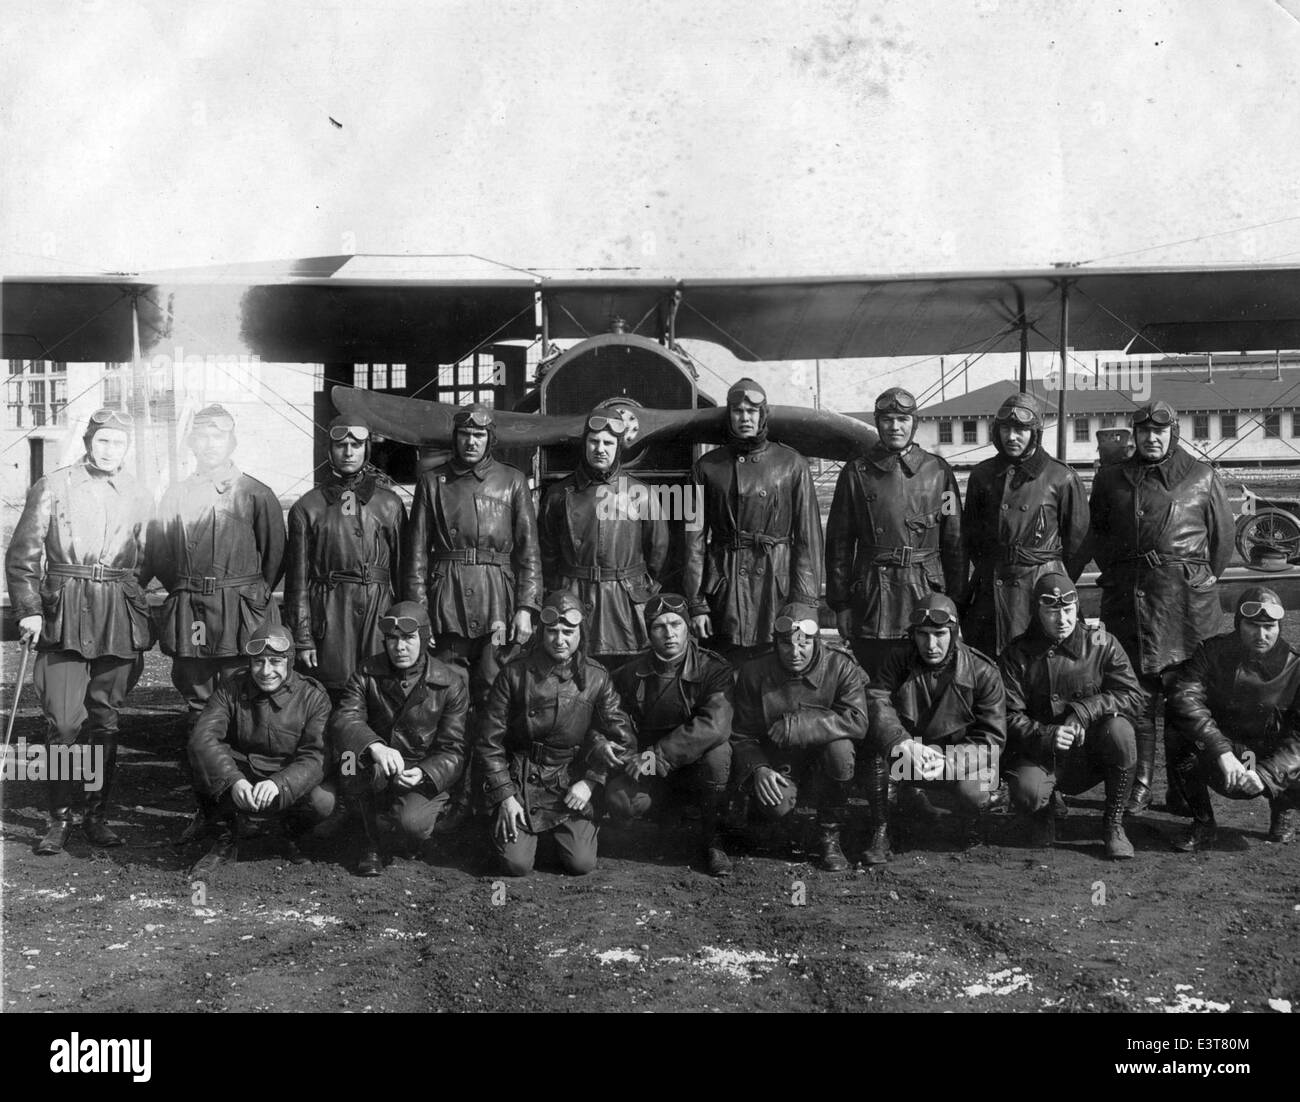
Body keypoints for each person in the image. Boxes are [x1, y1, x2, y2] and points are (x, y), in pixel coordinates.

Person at [6, 408, 154, 854]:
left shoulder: (138, 492)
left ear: (128, 448)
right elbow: (23, 556)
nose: (110, 450)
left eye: (119, 442)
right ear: (89, 442)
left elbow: (147, 557)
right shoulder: (53, 485)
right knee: (65, 721)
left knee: (106, 720)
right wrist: (30, 609)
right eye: (103, 440)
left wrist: (122, 591)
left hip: (116, 618)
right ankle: (59, 818)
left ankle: (96, 815)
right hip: (63, 616)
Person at [1087, 399, 1233, 814]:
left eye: (1160, 431)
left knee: (1184, 694)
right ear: (1134, 435)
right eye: (1144, 431)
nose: (1152, 438)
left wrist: (1193, 579)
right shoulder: (1112, 479)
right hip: (1131, 599)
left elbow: (1221, 543)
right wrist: (1129, 573)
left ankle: (1183, 788)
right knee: (1139, 694)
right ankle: (1141, 784)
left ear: (1174, 433)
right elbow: (1099, 538)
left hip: (1186, 605)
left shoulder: (1202, 476)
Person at [145, 404, 287, 733]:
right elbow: (162, 553)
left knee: (244, 682)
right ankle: (203, 759)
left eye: (218, 436)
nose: (210, 444)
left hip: (240, 607)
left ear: (232, 442)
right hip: (192, 605)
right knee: (195, 685)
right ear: (192, 443)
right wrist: (190, 587)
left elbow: (275, 556)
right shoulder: (175, 494)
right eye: (203, 436)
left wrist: (247, 594)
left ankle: (244, 761)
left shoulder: (256, 493)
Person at [476, 591, 637, 876]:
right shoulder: (514, 674)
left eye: (568, 632)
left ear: (581, 633)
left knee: (581, 864)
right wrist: (505, 796)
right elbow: (489, 742)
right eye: (552, 631)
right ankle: (523, 835)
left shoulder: (597, 677)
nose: (560, 640)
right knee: (516, 865)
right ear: (541, 632)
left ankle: (553, 838)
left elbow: (624, 739)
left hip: (569, 781)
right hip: (522, 779)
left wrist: (591, 780)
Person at [999, 573, 1144, 859]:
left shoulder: (1101, 641)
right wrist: (1047, 734)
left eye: (1068, 610)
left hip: (1089, 752)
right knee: (1029, 795)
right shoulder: (1016, 653)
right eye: (1052, 611)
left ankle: (1113, 823)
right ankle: (1045, 808)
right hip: (1040, 753)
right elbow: (1006, 714)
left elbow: (1133, 696)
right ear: (1036, 611)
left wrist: (1085, 710)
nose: (1062, 619)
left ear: (1077, 607)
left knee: (1121, 731)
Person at [404, 402, 541, 703]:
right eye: (465, 434)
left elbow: (529, 551)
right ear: (455, 437)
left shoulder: (513, 481)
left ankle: (490, 751)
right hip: (447, 599)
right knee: (447, 687)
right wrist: (419, 612)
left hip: (498, 600)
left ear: (490, 439)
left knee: (496, 686)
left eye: (479, 435)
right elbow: (416, 555)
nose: (471, 441)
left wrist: (526, 608)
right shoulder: (431, 481)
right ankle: (452, 751)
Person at [826, 387, 965, 681]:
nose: (894, 426)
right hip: (873, 598)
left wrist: (955, 601)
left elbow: (953, 539)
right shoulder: (855, 473)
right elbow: (838, 544)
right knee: (877, 680)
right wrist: (841, 605)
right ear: (878, 423)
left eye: (902, 419)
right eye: (887, 419)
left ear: (913, 422)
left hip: (925, 592)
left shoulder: (940, 473)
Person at [683, 377, 822, 665]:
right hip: (724, 586)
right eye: (737, 411)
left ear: (763, 415)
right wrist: (697, 604)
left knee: (773, 668)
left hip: (775, 586)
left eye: (752, 411)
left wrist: (805, 604)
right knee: (722, 670)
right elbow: (692, 542)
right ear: (729, 415)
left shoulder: (792, 464)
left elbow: (808, 540)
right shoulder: (705, 467)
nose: (745, 418)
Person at [324, 601, 469, 875]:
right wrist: (376, 746)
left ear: (425, 639)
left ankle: (409, 828)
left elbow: (454, 750)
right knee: (347, 761)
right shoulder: (366, 672)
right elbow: (344, 719)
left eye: (408, 638)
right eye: (392, 639)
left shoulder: (450, 682)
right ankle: (369, 844)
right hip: (374, 762)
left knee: (412, 824)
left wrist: (424, 773)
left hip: (418, 771)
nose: (400, 647)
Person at [865, 593, 1007, 862]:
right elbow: (875, 700)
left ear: (954, 633)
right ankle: (881, 828)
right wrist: (902, 742)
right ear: (913, 634)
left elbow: (992, 740)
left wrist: (948, 763)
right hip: (911, 758)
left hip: (961, 762)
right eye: (923, 634)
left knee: (976, 792)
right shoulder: (898, 660)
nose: (931, 644)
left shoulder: (982, 671)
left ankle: (972, 824)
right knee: (874, 754)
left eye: (940, 634)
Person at [731, 602, 869, 871]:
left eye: (804, 643)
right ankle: (770, 821)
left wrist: (800, 726)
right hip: (780, 764)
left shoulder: (840, 667)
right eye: (787, 644)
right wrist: (758, 769)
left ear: (816, 642)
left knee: (841, 750)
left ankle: (830, 835)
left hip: (823, 763)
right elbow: (742, 734)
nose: (795, 652)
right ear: (776, 644)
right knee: (775, 806)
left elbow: (857, 720)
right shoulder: (753, 672)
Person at [606, 593, 736, 877]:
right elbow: (618, 723)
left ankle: (714, 839)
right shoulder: (628, 674)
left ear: (687, 627)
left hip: (690, 763)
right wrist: (633, 755)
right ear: (649, 633)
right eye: (659, 627)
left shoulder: (714, 668)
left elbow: (714, 724)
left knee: (719, 755)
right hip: (650, 766)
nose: (669, 634)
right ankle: (661, 823)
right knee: (622, 799)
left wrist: (657, 756)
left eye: (676, 624)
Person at [186, 623, 331, 876]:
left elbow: (316, 756)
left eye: (275, 662)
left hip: (287, 776)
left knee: (323, 801)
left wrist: (280, 784)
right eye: (258, 662)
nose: (266, 671)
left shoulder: (313, 696)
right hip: (244, 774)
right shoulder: (232, 687)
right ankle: (224, 839)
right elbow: (204, 737)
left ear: (289, 662)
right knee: (199, 757)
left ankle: (289, 834)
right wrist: (233, 780)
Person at [1165, 587, 1300, 852]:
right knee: (1177, 729)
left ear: (1279, 627)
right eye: (1252, 625)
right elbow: (1185, 696)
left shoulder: (1296, 666)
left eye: (1269, 626)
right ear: (1239, 623)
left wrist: (1266, 775)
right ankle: (1203, 822)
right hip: (1226, 755)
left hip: (1271, 760)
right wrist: (1221, 751)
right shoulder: (1212, 651)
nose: (1261, 635)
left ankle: (1284, 808)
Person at [285, 414, 406, 701]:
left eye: (356, 444)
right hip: (328, 613)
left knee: (379, 690)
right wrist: (303, 638)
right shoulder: (308, 507)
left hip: (378, 612)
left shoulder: (389, 504)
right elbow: (297, 583)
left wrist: (405, 627)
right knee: (333, 693)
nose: (349, 452)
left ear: (368, 449)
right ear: (329, 450)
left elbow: (405, 574)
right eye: (341, 445)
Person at [961, 391, 1089, 660]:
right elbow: (971, 537)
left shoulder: (1061, 477)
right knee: (990, 662)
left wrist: (1051, 580)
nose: (1012, 437)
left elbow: (1078, 544)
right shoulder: (982, 476)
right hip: (992, 589)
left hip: (1040, 588)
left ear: (1035, 433)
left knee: (1041, 661)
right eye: (1006, 429)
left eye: (1021, 430)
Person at [538, 410, 668, 667]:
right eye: (593, 441)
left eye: (608, 443)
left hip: (624, 605)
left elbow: (659, 552)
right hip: (573, 596)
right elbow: (546, 551)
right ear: (584, 444)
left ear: (618, 447)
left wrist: (638, 591)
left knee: (627, 675)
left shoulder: (641, 494)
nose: (600, 449)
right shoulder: (558, 494)